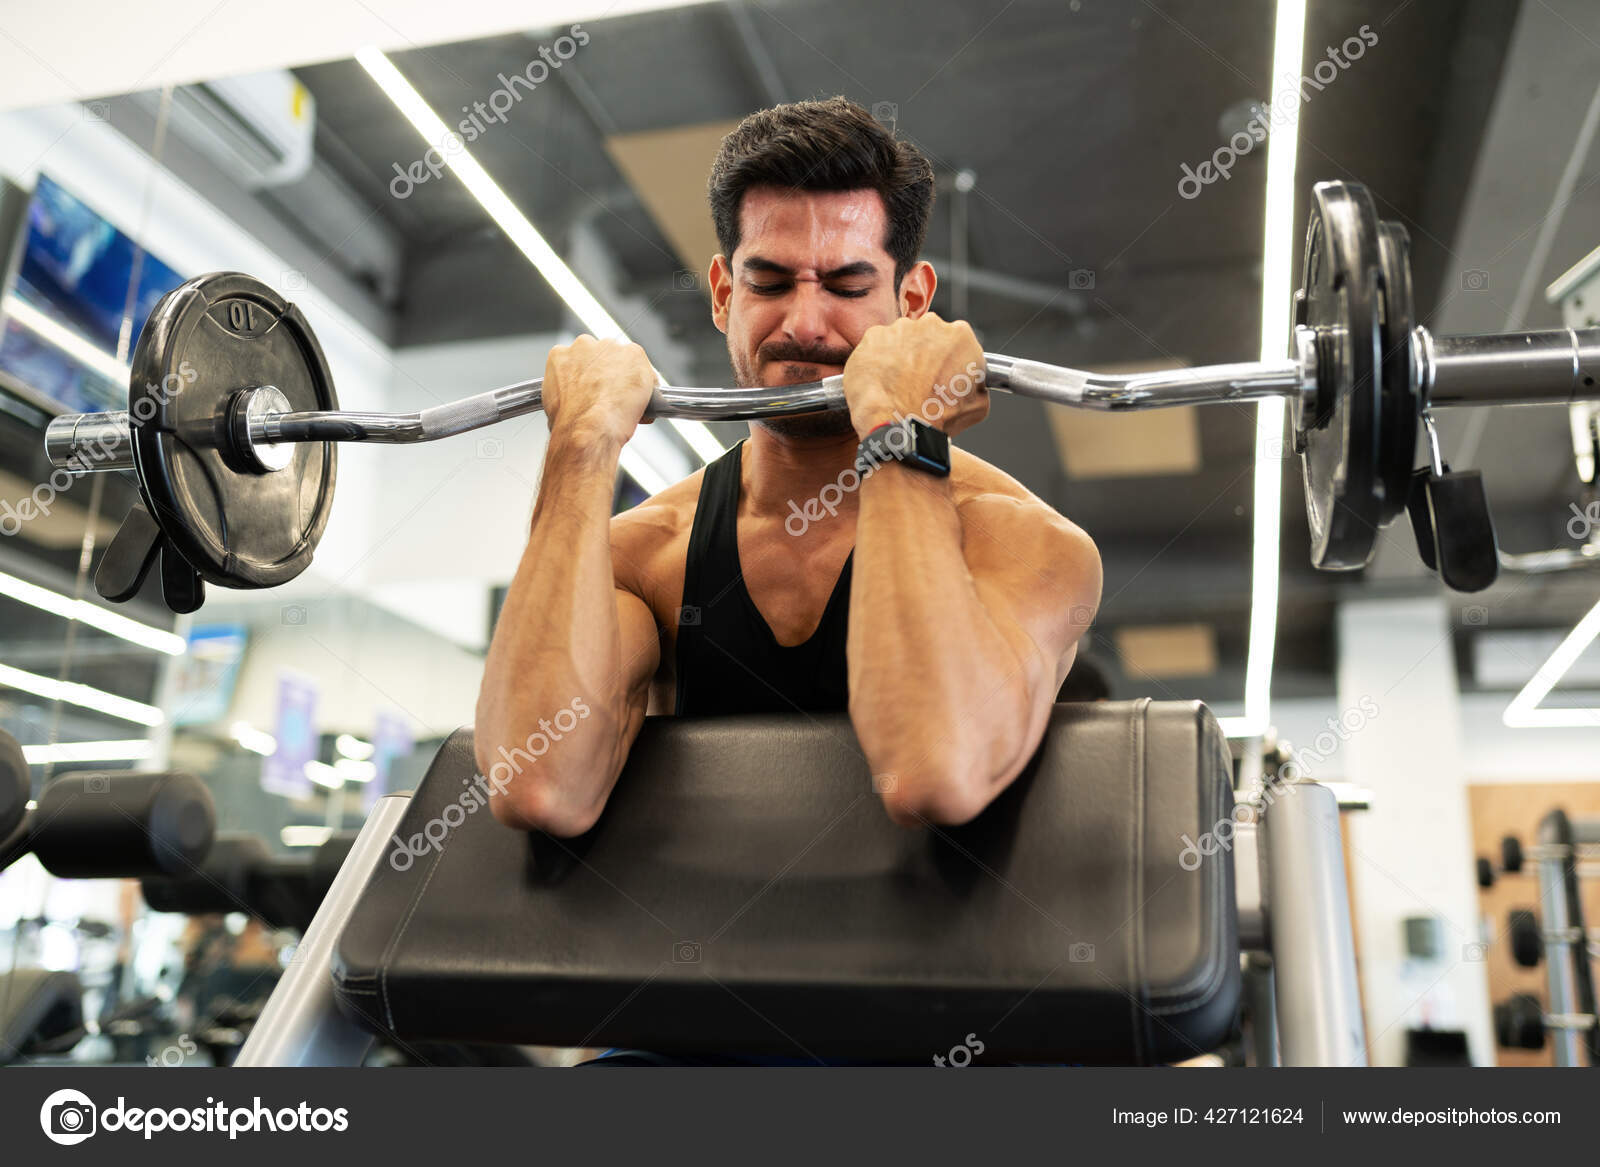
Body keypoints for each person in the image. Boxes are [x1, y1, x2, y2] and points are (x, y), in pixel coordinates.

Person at [476, 96, 1101, 839]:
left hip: (940, 955)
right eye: (769, 283)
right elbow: (537, 784)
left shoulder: (1026, 543)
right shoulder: (647, 556)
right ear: (722, 294)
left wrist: (903, 429)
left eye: (846, 285)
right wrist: (580, 445)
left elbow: (937, 768)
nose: (803, 323)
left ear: (911, 301)